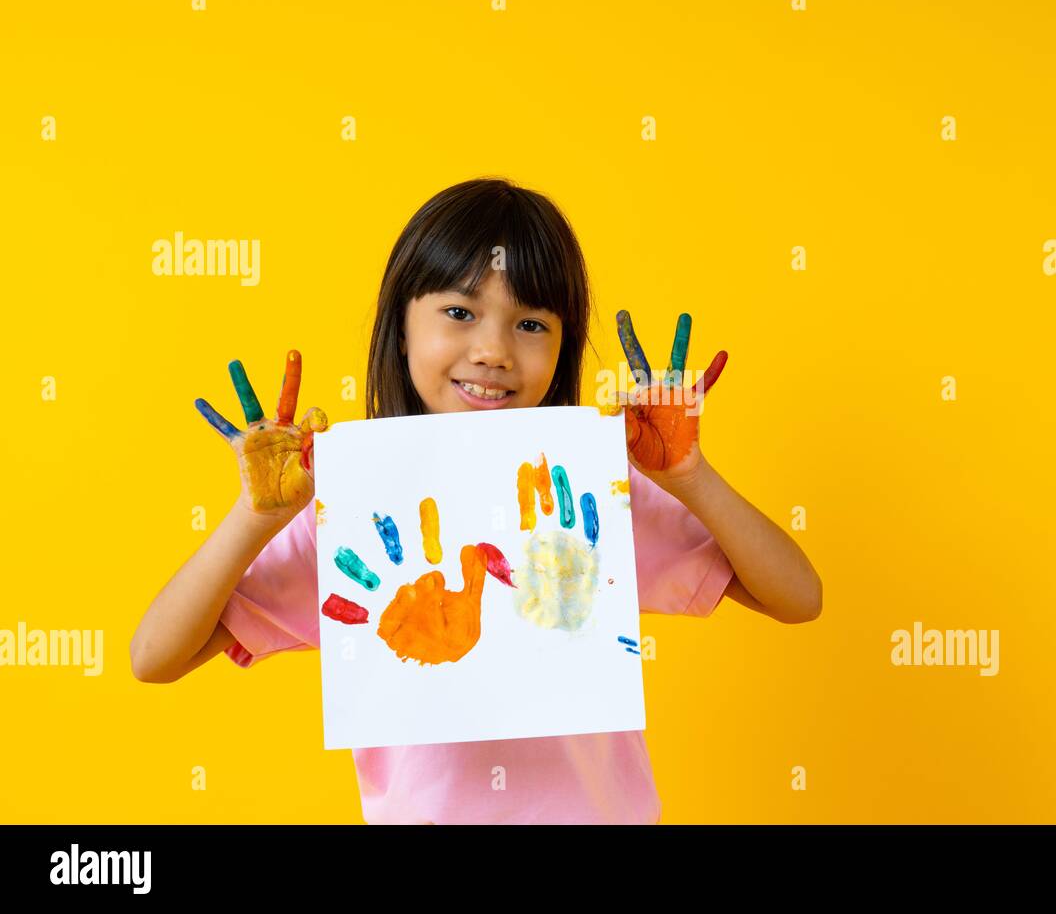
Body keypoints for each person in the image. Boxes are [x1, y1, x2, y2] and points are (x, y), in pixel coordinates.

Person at [130, 176, 822, 823]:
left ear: (563, 345)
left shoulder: (595, 487)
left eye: (531, 324)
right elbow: (155, 657)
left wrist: (689, 478)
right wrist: (256, 519)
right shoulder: (349, 510)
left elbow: (797, 597)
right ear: (401, 327)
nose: (492, 350)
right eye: (459, 311)